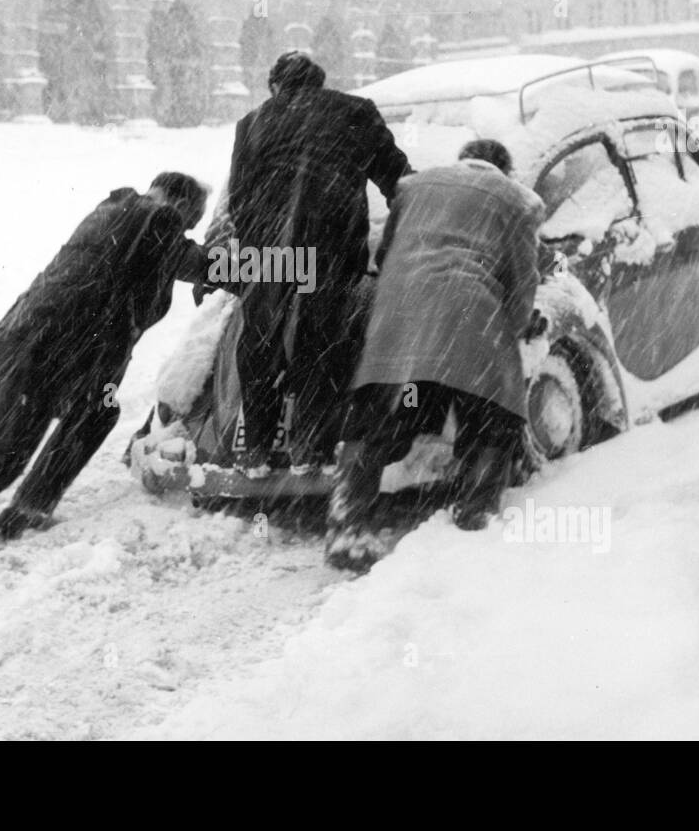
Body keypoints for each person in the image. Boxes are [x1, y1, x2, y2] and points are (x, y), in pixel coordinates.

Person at [0, 172, 210, 578]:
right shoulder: (155, 220)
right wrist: (289, 268)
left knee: (98, 412)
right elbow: (204, 264)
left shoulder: (117, 211)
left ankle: (27, 510)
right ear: (181, 205)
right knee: (4, 454)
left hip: (32, 338)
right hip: (47, 351)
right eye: (192, 219)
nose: (188, 229)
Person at [325, 139, 546, 573]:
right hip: (471, 321)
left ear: (463, 159)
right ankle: (472, 519)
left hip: (402, 319)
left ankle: (347, 524)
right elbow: (522, 282)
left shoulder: (414, 187)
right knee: (491, 420)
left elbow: (385, 256)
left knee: (387, 416)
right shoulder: (518, 202)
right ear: (505, 169)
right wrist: (517, 328)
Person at [225, 51, 411, 478]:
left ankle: (254, 452)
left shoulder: (251, 122)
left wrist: (256, 244)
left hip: (268, 246)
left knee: (260, 341)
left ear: (276, 85)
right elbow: (397, 179)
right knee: (320, 340)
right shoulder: (355, 111)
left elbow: (238, 196)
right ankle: (309, 449)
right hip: (330, 240)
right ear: (320, 83)